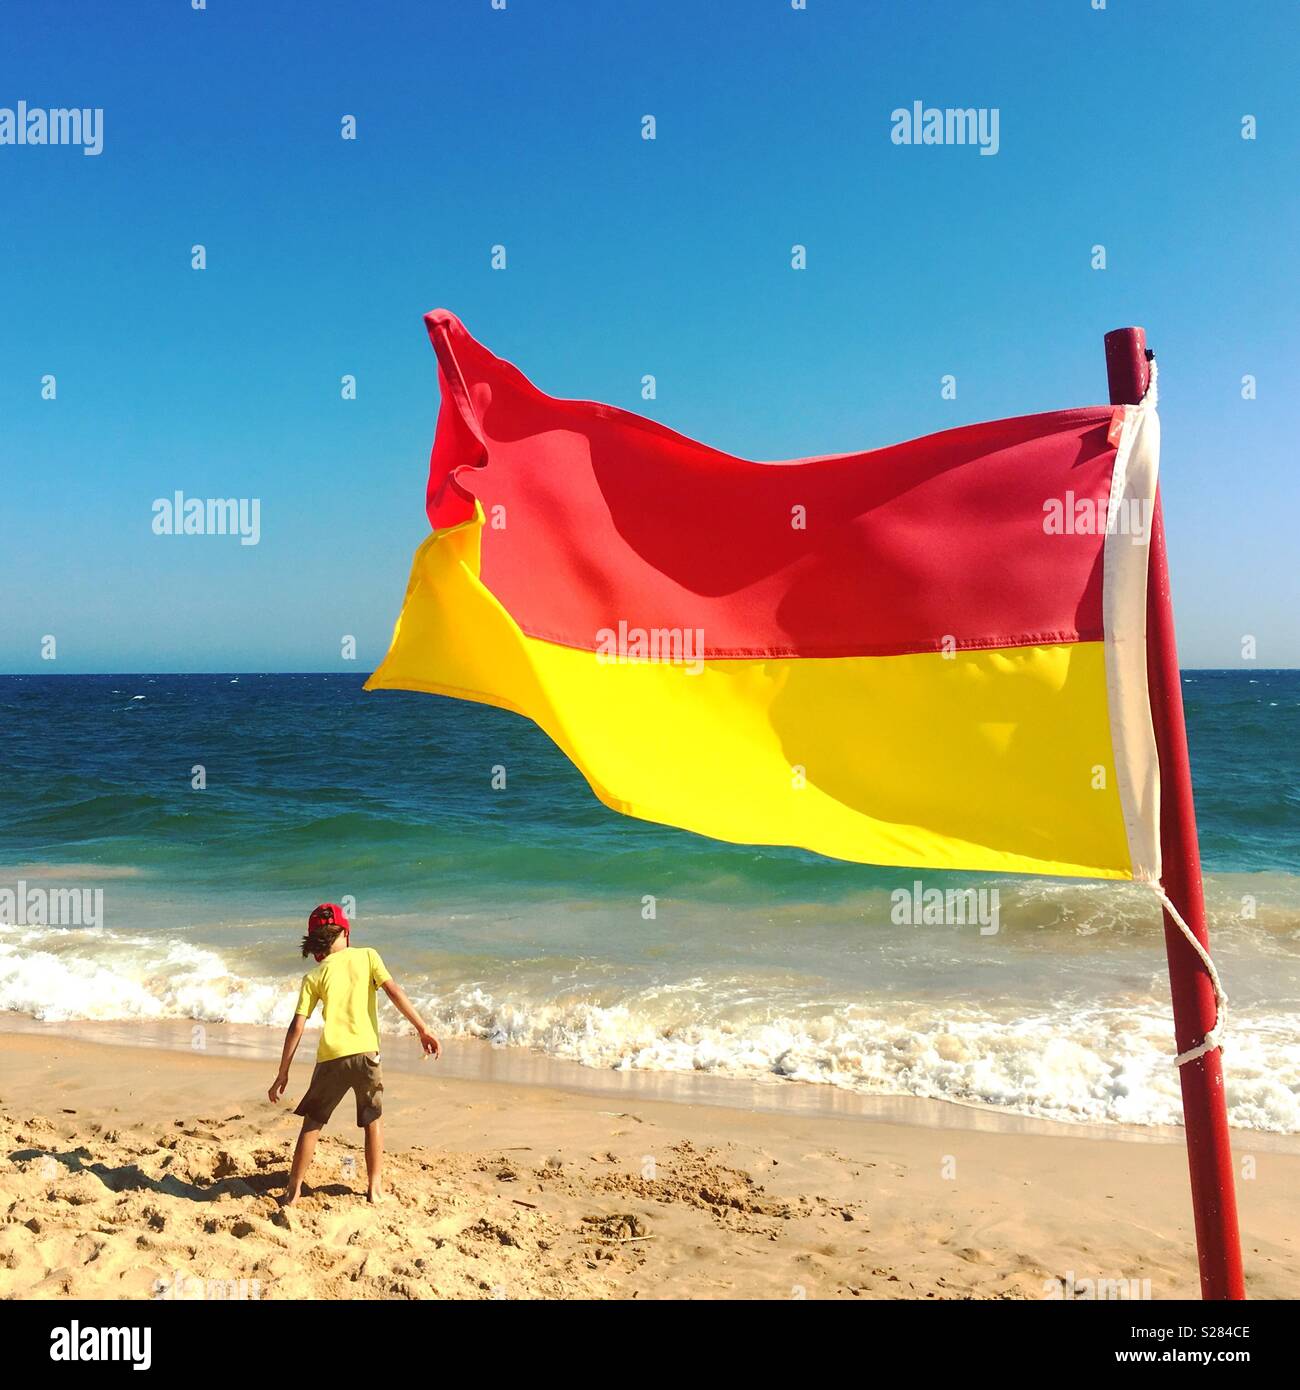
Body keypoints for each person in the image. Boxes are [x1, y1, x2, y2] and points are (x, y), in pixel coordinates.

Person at [268, 903, 440, 1205]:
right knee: (372, 1119)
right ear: (346, 932)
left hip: (331, 1057)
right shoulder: (368, 955)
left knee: (313, 1122)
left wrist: (283, 1072)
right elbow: (395, 992)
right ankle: (374, 1189)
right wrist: (422, 1029)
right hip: (366, 1053)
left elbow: (296, 1026)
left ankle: (293, 1190)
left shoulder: (314, 976)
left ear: (317, 943)